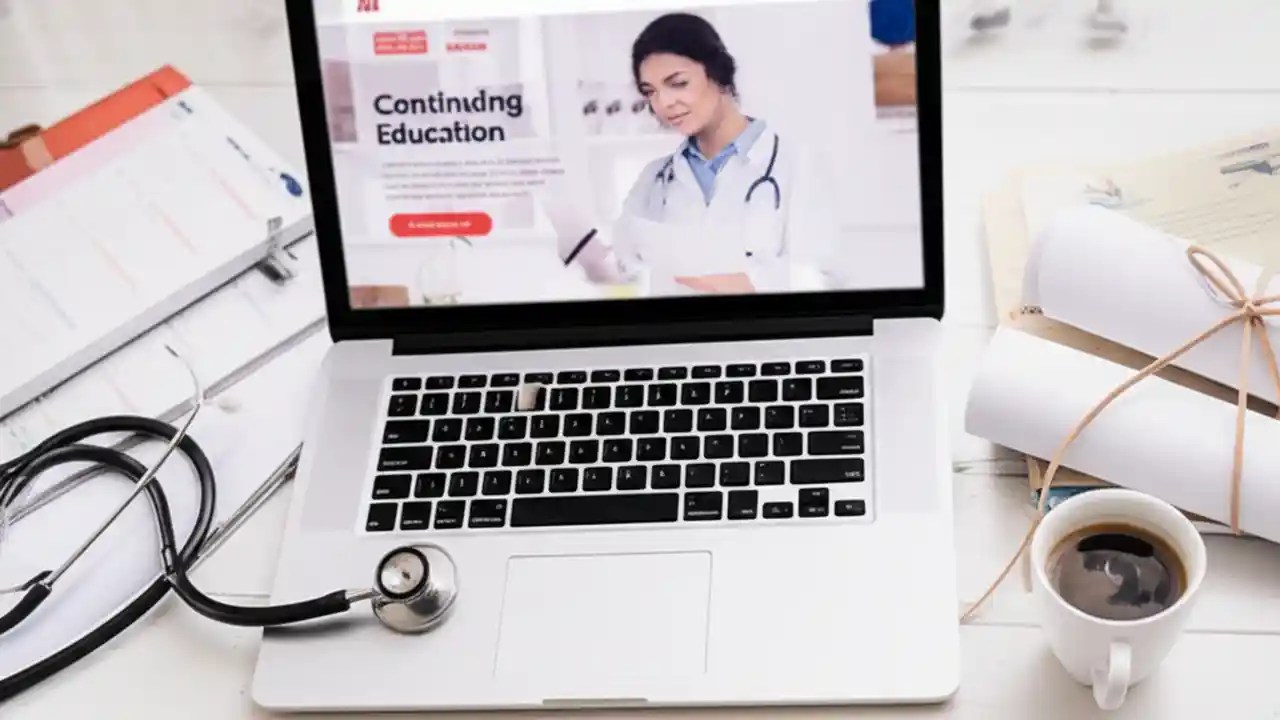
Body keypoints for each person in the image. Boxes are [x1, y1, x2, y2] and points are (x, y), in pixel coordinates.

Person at [610, 13, 838, 297]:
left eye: (678, 83)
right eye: (651, 92)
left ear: (718, 74)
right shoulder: (654, 178)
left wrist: (748, 283)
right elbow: (622, 268)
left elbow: (821, 279)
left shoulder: (798, 164)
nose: (664, 103)